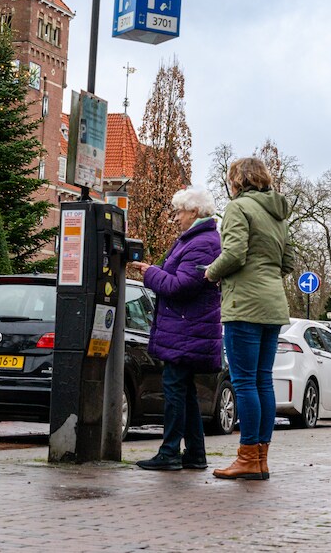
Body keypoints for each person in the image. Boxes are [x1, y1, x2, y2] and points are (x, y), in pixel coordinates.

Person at [204, 157, 293, 481]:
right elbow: (288, 262)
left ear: (237, 181)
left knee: (243, 382)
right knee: (262, 380)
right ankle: (260, 459)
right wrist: (266, 273)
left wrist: (210, 273)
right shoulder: (278, 214)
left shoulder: (238, 208)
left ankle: (247, 457)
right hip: (273, 304)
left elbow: (235, 253)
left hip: (244, 304)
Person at [130, 189, 222, 471]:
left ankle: (169, 451)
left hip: (187, 330)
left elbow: (181, 286)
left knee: (173, 388)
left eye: (179, 212)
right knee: (186, 392)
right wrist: (155, 271)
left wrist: (150, 273)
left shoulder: (201, 243)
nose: (175, 217)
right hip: (187, 329)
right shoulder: (196, 240)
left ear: (194, 212)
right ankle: (195, 453)